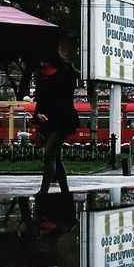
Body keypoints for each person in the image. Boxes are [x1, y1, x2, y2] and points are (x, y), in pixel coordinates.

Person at [33, 39, 80, 195]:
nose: (42, 64)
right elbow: (39, 99)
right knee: (56, 158)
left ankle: (43, 192)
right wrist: (38, 114)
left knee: (49, 155)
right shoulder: (40, 74)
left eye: (44, 60)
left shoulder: (66, 70)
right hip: (48, 120)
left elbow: (67, 95)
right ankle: (65, 191)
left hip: (63, 119)